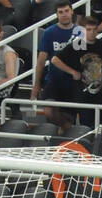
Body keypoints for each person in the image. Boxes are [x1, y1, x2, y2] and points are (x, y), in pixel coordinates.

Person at [51, 15, 102, 127]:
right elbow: (55, 60)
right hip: (83, 93)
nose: (92, 32)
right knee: (86, 125)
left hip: (101, 93)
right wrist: (72, 72)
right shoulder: (76, 45)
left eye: (94, 29)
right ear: (84, 30)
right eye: (88, 29)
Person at [33, 1, 82, 129]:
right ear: (56, 14)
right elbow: (41, 61)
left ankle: (64, 130)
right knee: (49, 111)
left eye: (66, 11)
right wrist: (36, 85)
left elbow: (84, 58)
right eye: (61, 12)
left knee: (69, 117)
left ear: (72, 11)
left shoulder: (80, 32)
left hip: (73, 83)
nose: (64, 14)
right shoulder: (49, 33)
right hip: (53, 80)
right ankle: (64, 127)